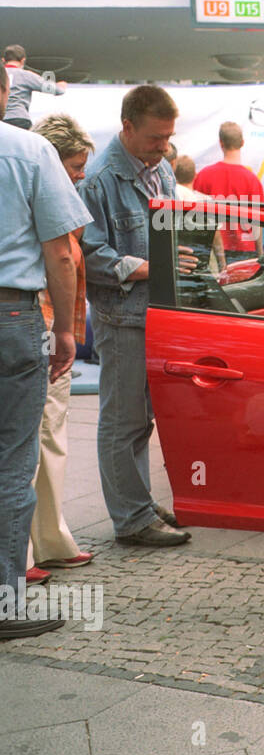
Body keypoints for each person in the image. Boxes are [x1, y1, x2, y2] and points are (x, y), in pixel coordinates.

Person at [79, 85, 194, 547]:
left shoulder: (160, 169)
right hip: (122, 318)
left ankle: (139, 503)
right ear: (127, 127)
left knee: (142, 419)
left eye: (168, 137)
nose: (164, 147)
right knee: (122, 419)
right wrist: (152, 268)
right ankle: (131, 517)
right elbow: (88, 255)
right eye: (155, 138)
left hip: (154, 315)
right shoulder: (99, 180)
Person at [0, 63, 85, 639]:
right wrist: (67, 328)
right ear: (5, 92)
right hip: (11, 316)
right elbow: (61, 252)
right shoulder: (27, 151)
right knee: (11, 465)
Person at [25, 116, 97, 582]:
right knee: (36, 441)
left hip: (39, 329)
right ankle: (32, 550)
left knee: (42, 440)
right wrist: (66, 336)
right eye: (75, 165)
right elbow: (63, 259)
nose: (81, 175)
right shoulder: (47, 199)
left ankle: (46, 541)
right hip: (45, 331)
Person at [193, 121, 264, 259]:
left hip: (211, 251)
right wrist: (260, 255)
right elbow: (258, 222)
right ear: (242, 143)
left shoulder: (204, 175)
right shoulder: (252, 180)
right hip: (245, 250)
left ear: (221, 143)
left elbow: (197, 217)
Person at [3, 45, 67, 130]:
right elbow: (57, 90)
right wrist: (60, 86)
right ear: (23, 60)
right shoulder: (26, 75)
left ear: (3, 60)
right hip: (19, 120)